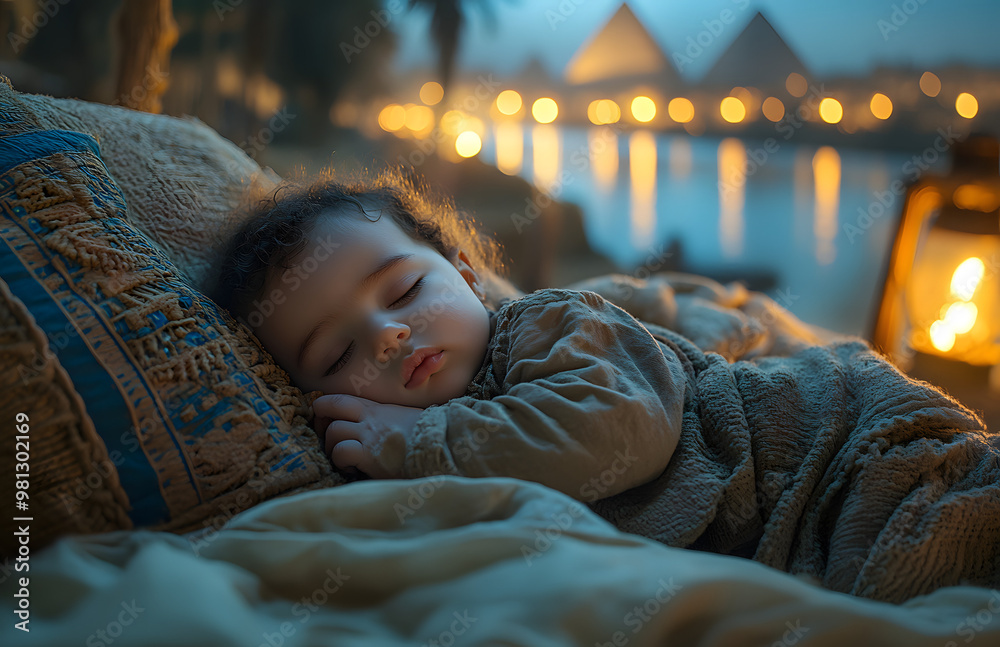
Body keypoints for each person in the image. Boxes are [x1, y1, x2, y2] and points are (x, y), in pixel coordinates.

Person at [212, 170, 1000, 603]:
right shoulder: (412, 460)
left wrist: (420, 443)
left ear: (464, 275)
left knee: (937, 552)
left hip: (832, 439)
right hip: (792, 518)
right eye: (341, 349)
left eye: (405, 292)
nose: (387, 335)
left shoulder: (546, 325)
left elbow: (618, 428)